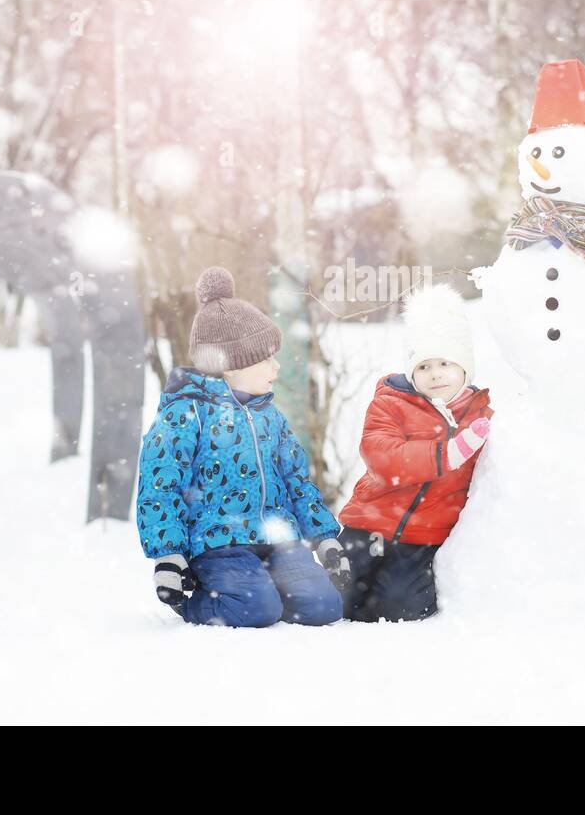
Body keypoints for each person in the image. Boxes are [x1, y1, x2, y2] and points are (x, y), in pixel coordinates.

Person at [137, 266, 349, 627]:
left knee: (323, 606)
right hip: (218, 544)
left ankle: (265, 587)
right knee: (255, 609)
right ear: (231, 365)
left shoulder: (270, 416)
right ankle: (202, 604)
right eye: (266, 358)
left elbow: (297, 482)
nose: (276, 367)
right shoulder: (186, 414)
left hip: (278, 540)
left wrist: (324, 538)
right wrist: (169, 556)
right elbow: (160, 484)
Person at [337, 284, 492, 621]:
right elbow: (380, 454)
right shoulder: (391, 401)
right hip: (368, 523)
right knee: (336, 602)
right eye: (423, 367)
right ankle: (328, 570)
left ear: (465, 367)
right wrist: (446, 455)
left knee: (402, 608)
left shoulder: (479, 417)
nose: (435, 374)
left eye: (445, 363)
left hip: (422, 538)